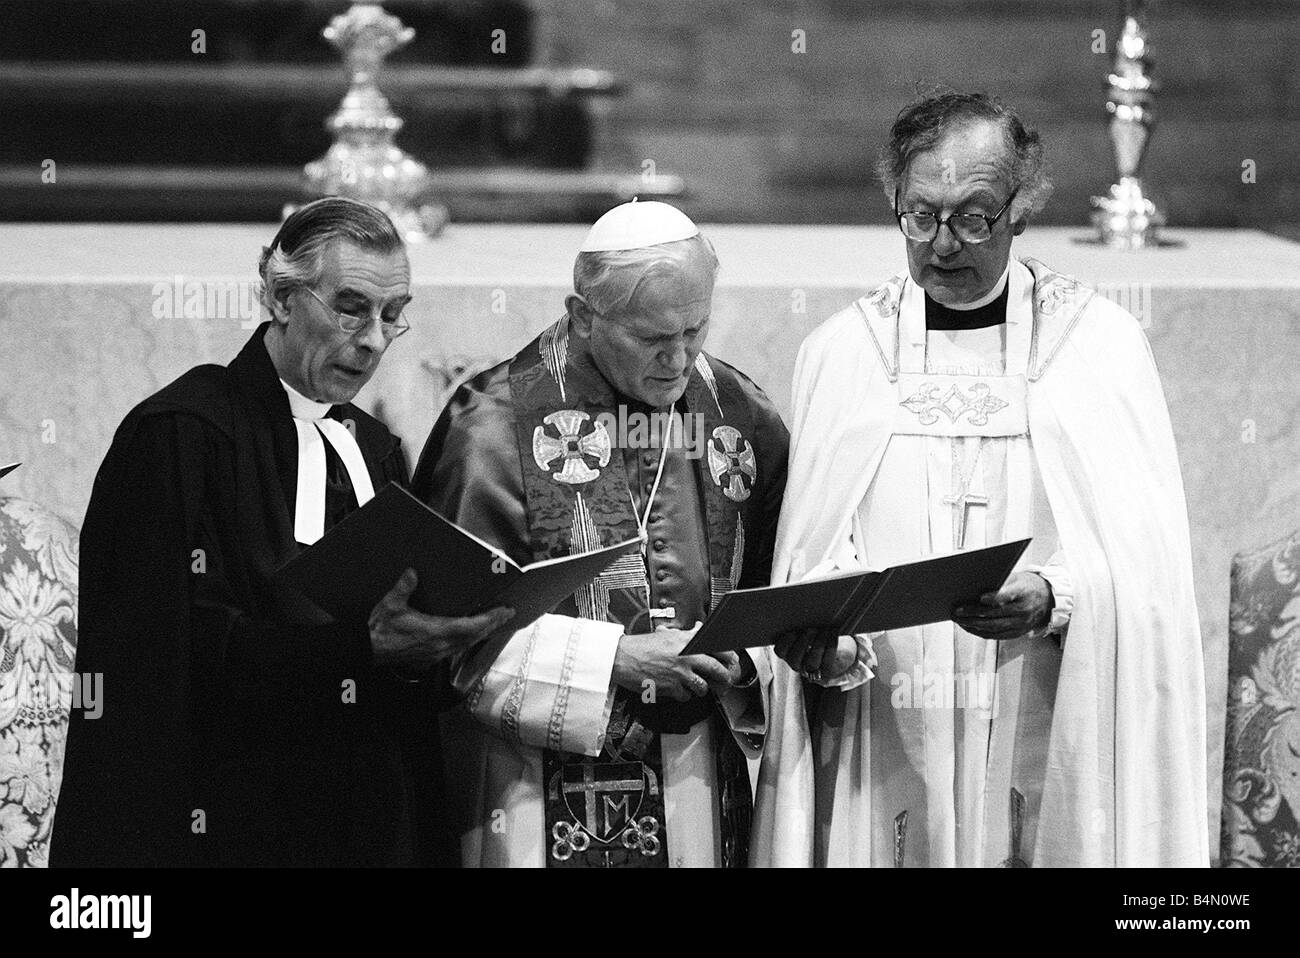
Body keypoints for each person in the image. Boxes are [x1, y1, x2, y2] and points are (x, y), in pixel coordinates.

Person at [752, 92, 1207, 867]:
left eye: (974, 216)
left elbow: (1152, 578)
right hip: (885, 720)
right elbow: (817, 554)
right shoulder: (846, 354)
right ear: (894, 204)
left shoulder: (1099, 347)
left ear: (1021, 211)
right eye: (920, 215)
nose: (943, 244)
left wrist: (1057, 595)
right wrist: (824, 637)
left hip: (1046, 702)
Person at [51, 197, 512, 867]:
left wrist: (446, 641)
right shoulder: (180, 435)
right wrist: (360, 649)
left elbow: (395, 653)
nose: (375, 340)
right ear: (279, 295)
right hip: (226, 824)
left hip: (362, 823)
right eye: (351, 307)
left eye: (393, 315)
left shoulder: (375, 449)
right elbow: (159, 667)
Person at [412, 200, 789, 867]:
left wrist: (746, 659)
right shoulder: (494, 430)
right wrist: (617, 660)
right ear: (584, 315)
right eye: (651, 339)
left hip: (704, 783)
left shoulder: (736, 411)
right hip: (534, 792)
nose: (679, 361)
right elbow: (446, 644)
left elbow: (787, 588)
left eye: (695, 330)